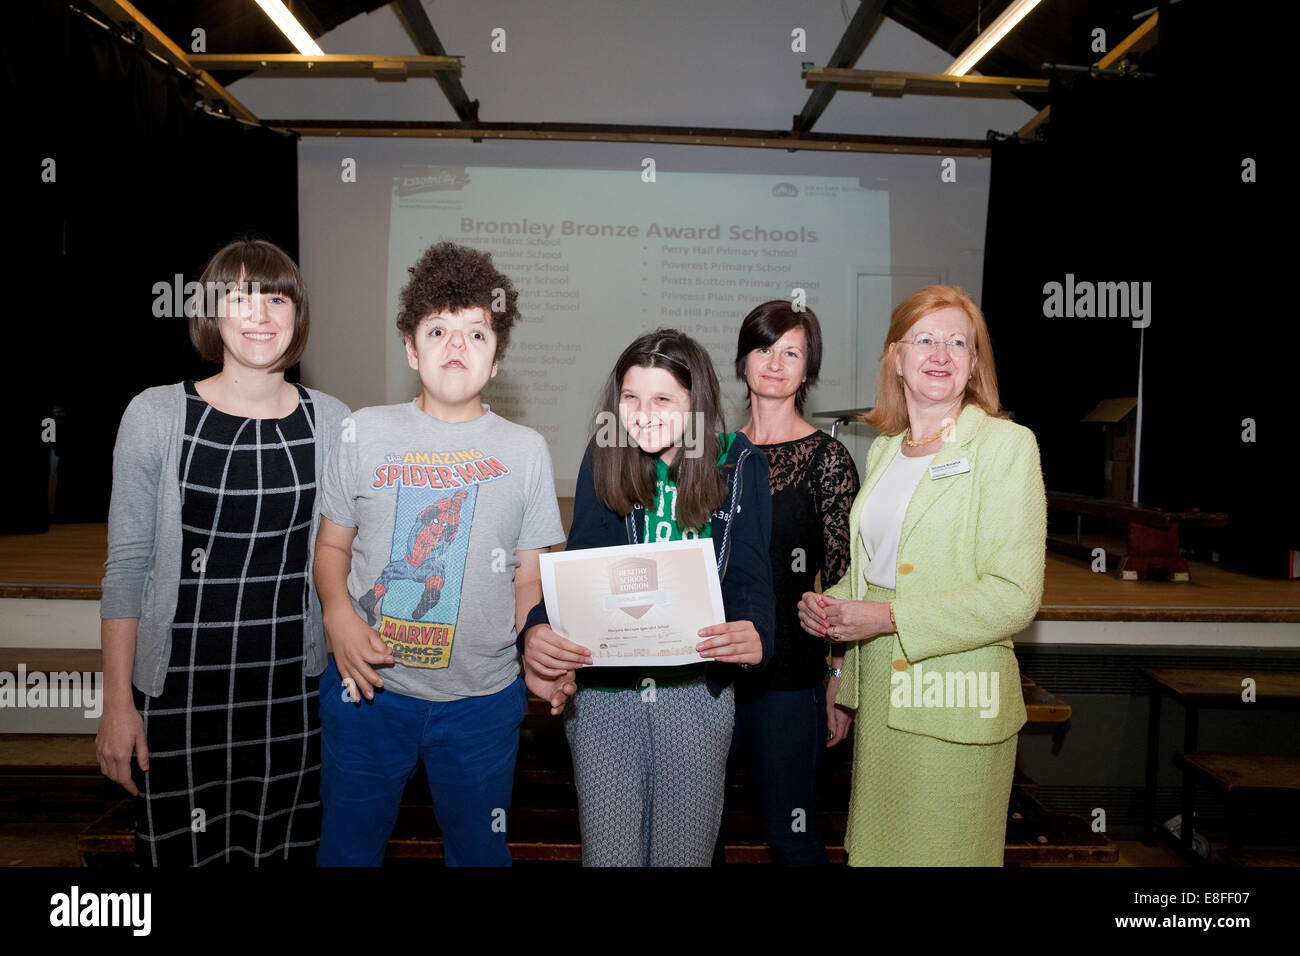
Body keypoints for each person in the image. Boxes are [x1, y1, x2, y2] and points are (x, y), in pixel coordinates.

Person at [313, 241, 567, 866]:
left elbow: (530, 576)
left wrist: (534, 645)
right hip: (368, 695)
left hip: (482, 705)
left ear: (496, 357)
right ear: (410, 347)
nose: (457, 346)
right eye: (438, 329)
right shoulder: (363, 431)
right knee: (347, 853)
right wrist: (339, 617)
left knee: (481, 856)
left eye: (476, 333)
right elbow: (330, 547)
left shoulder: (526, 449)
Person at [97, 238, 350, 864]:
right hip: (179, 696)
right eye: (238, 296)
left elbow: (346, 558)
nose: (259, 314)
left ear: (297, 314)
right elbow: (127, 568)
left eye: (276, 298)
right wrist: (116, 706)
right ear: (212, 311)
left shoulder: (334, 420)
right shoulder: (155, 414)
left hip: (290, 697)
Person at [798, 284, 1045, 866]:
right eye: (925, 340)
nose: (941, 353)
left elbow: (1014, 596)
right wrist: (830, 608)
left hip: (958, 702)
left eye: (959, 342)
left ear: (974, 363)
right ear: (896, 358)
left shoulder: (1005, 447)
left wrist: (880, 617)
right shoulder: (885, 450)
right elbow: (874, 572)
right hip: (884, 700)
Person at [521, 329, 774, 866]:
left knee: (684, 856)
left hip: (697, 691)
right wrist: (538, 627)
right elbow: (582, 563)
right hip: (604, 696)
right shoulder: (605, 455)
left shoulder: (740, 464)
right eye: (630, 397)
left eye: (663, 399)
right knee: (610, 856)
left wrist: (757, 632)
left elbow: (752, 580)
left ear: (696, 403)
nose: (643, 413)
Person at [714, 301, 859, 866]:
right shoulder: (712, 455)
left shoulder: (828, 459)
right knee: (703, 837)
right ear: (743, 360)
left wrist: (840, 676)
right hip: (712, 674)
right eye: (764, 348)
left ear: (808, 370)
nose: (775, 363)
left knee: (791, 836)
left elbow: (844, 579)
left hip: (793, 679)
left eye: (791, 352)